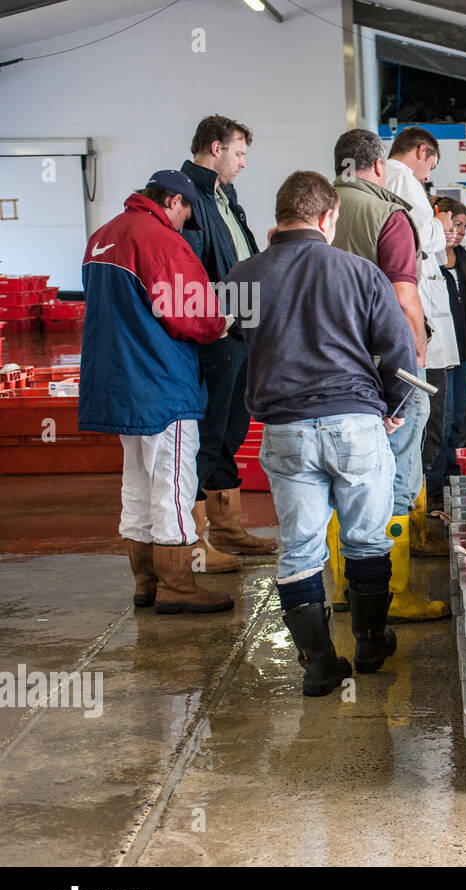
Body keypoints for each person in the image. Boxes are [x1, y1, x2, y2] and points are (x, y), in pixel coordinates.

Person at [227, 171, 417, 696]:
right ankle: (371, 644)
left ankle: (318, 667)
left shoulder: (244, 275)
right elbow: (400, 352)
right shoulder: (359, 271)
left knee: (300, 549)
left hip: (284, 429)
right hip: (355, 423)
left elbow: (237, 341)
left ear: (278, 217)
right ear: (328, 217)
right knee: (365, 540)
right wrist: (393, 408)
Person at [79, 170, 233, 614]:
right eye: (186, 214)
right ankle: (178, 586)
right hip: (162, 386)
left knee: (138, 485)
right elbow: (192, 315)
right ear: (171, 200)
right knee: (173, 486)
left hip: (119, 385)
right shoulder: (160, 240)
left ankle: (145, 582)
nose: (185, 225)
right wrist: (222, 323)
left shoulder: (102, 237)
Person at [328, 128, 446, 621]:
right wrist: (415, 355)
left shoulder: (317, 209)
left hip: (331, 367)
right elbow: (403, 297)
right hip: (386, 362)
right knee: (397, 474)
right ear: (379, 166)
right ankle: (394, 592)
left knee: (340, 476)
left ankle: (340, 587)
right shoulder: (388, 212)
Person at [180, 114, 277, 571]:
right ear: (215, 148)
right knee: (209, 433)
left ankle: (226, 529)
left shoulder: (225, 196)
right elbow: (190, 267)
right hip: (216, 331)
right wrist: (213, 320)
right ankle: (194, 542)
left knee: (233, 429)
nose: (242, 163)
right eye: (238, 153)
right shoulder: (189, 195)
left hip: (242, 325)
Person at [383, 128, 458, 548]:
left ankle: (409, 528)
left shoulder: (394, 183)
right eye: (431, 164)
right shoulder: (403, 180)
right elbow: (427, 240)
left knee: (416, 428)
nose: (429, 174)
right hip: (411, 333)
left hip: (415, 329)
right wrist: (437, 224)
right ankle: (406, 536)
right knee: (411, 430)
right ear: (422, 152)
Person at [426, 196, 466, 513]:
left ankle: (450, 480)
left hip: (464, 354)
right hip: (436, 356)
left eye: (464, 226)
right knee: (438, 421)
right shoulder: (425, 261)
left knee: (455, 421)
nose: (458, 231)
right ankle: (432, 486)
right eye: (454, 224)